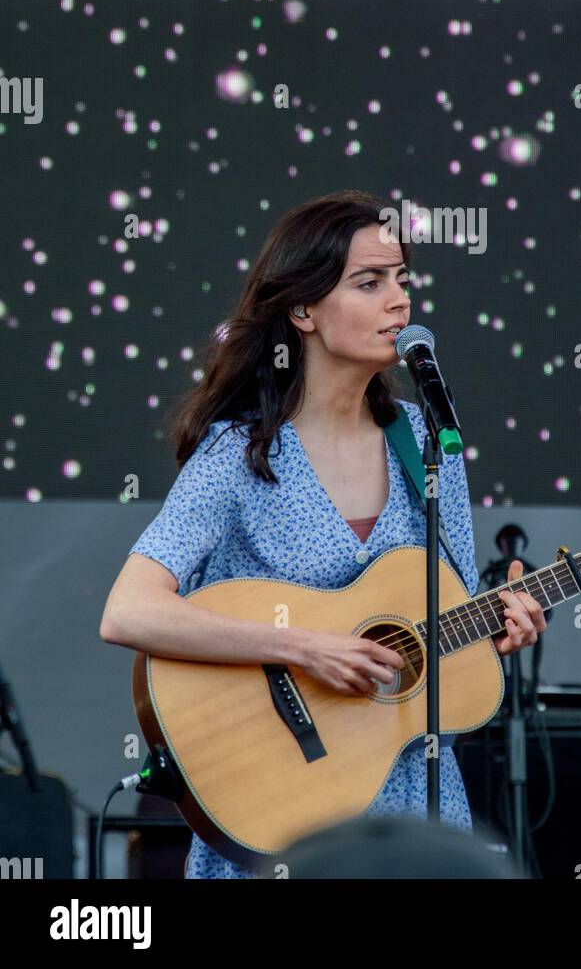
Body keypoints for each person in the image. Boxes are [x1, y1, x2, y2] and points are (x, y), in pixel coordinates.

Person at [100, 189, 547, 878]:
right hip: (282, 804)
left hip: (414, 808)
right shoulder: (238, 452)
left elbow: (440, 616)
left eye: (402, 279)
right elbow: (129, 611)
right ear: (302, 309)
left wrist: (500, 621)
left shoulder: (427, 438)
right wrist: (306, 647)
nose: (398, 301)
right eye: (369, 282)